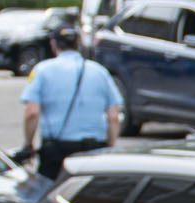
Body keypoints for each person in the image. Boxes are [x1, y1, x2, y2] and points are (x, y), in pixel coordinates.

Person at [20, 24, 123, 178]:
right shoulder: (99, 71)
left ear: (53, 44)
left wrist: (28, 145)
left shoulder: (42, 70)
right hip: (93, 148)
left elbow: (32, 113)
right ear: (78, 44)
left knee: (51, 193)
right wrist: (110, 146)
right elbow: (114, 117)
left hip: (57, 149)